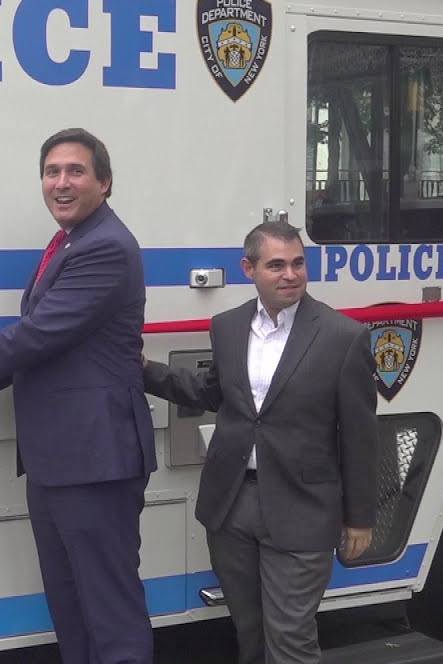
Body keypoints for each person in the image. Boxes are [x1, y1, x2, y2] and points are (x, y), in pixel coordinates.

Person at [0, 128, 156, 664]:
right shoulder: (70, 242)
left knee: (110, 614)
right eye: (52, 172)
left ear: (105, 182)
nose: (61, 183)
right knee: (71, 609)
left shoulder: (106, 248)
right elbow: (53, 340)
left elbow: (43, 331)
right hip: (60, 461)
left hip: (96, 460)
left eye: (75, 171)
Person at [142, 220, 378, 664]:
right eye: (276, 265)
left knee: (290, 639)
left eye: (297, 263)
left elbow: (361, 437)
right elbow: (212, 394)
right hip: (231, 506)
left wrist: (360, 517)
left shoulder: (343, 337)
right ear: (248, 269)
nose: (290, 274)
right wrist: (144, 370)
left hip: (302, 508)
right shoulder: (227, 327)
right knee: (250, 633)